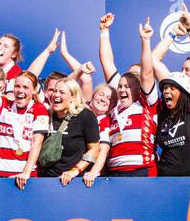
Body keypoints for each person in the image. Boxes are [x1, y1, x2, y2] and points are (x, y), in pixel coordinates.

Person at [93, 16, 160, 177]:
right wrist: (104, 31)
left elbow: (147, 73)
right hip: (114, 173)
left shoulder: (147, 104)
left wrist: (145, 41)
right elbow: (107, 63)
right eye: (121, 86)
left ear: (139, 89)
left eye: (128, 87)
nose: (122, 89)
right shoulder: (116, 106)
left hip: (141, 171)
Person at [0, 65, 48, 188]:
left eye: (25, 87)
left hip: (24, 175)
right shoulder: (3, 104)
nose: (20, 91)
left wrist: (26, 172)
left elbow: (36, 144)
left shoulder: (39, 109)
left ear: (34, 90)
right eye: (17, 86)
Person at [37, 76, 104, 182]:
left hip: (74, 181)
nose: (56, 95)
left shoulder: (85, 116)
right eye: (54, 91)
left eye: (62, 92)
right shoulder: (45, 115)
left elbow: (94, 150)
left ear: (73, 96)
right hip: (45, 180)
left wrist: (74, 171)